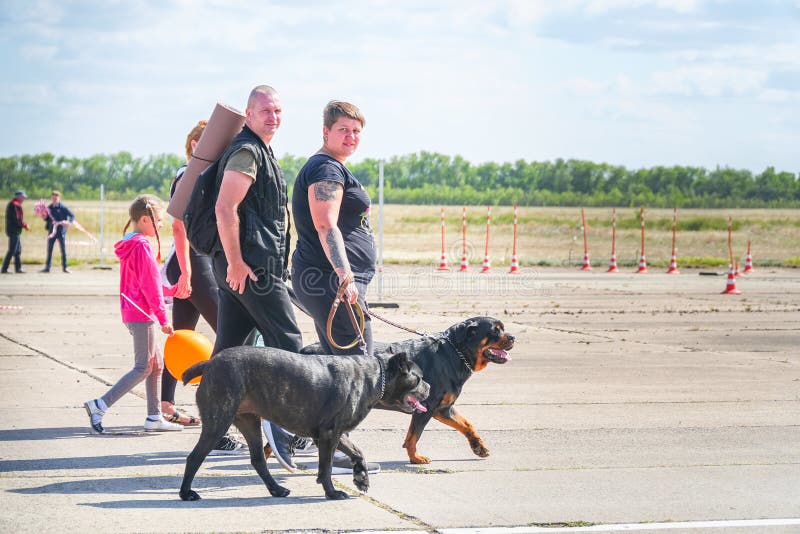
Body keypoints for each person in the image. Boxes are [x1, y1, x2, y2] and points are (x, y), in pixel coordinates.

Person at [211, 85, 303, 470]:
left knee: (231, 350)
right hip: (252, 268)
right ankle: (289, 426)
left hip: (244, 266)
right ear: (248, 115)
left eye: (278, 111)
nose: (273, 117)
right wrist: (235, 262)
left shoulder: (262, 151)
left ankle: (216, 424)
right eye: (265, 110)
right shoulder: (247, 151)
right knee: (289, 341)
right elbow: (224, 207)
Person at [290, 101, 380, 474]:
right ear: (325, 132)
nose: (351, 136)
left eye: (357, 131)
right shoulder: (326, 168)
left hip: (334, 282)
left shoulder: (334, 167)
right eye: (344, 129)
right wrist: (345, 274)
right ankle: (334, 449)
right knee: (356, 367)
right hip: (330, 281)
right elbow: (326, 225)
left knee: (345, 365)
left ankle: (295, 430)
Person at [83, 194, 182, 434]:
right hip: (141, 314)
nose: (160, 225)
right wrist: (163, 318)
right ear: (145, 219)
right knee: (143, 367)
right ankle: (100, 405)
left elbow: (148, 281)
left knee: (156, 364)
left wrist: (172, 291)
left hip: (135, 310)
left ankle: (154, 416)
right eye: (158, 220)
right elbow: (149, 285)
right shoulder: (141, 245)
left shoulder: (132, 242)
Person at [40, 190, 75, 273]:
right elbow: (47, 219)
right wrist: (44, 216)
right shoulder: (49, 208)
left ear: (59, 198)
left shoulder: (63, 208)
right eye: (53, 198)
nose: (54, 199)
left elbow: (72, 216)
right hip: (51, 232)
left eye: (56, 198)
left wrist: (68, 222)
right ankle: (47, 267)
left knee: (63, 250)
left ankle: (65, 267)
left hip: (61, 232)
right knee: (49, 250)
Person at [2, 190, 30, 274]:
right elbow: (17, 219)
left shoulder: (15, 204)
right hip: (14, 231)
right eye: (23, 197)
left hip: (15, 230)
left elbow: (18, 219)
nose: (24, 198)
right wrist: (25, 226)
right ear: (18, 196)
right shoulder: (14, 205)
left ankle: (18, 269)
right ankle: (4, 269)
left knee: (17, 250)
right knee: (12, 250)